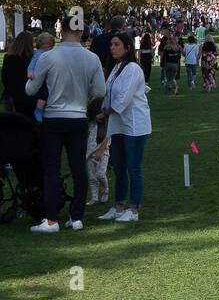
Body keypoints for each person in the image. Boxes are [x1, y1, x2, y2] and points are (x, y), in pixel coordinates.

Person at [24, 23, 106, 234]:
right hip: (78, 116)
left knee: (51, 168)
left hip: (54, 117)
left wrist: (31, 81)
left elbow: (31, 89)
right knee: (78, 167)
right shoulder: (91, 58)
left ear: (61, 32)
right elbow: (100, 89)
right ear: (81, 33)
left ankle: (51, 219)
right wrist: (84, 92)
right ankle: (76, 216)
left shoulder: (48, 57)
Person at [98, 34, 151, 224]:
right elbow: (108, 92)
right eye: (111, 45)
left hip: (135, 124)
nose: (112, 48)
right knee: (119, 167)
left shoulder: (133, 69)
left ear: (128, 47)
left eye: (117, 44)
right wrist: (103, 110)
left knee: (133, 167)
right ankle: (119, 205)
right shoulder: (116, 68)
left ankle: (134, 208)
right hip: (118, 123)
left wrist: (107, 112)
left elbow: (124, 98)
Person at [1, 31, 37, 118]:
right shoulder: (32, 58)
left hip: (12, 93)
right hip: (29, 95)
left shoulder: (8, 58)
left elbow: (4, 76)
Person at [85, 96, 111, 206]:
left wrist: (101, 150)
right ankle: (94, 197)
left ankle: (105, 190)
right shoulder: (91, 123)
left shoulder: (107, 124)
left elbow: (107, 137)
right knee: (92, 177)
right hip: (89, 153)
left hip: (103, 151)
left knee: (100, 174)